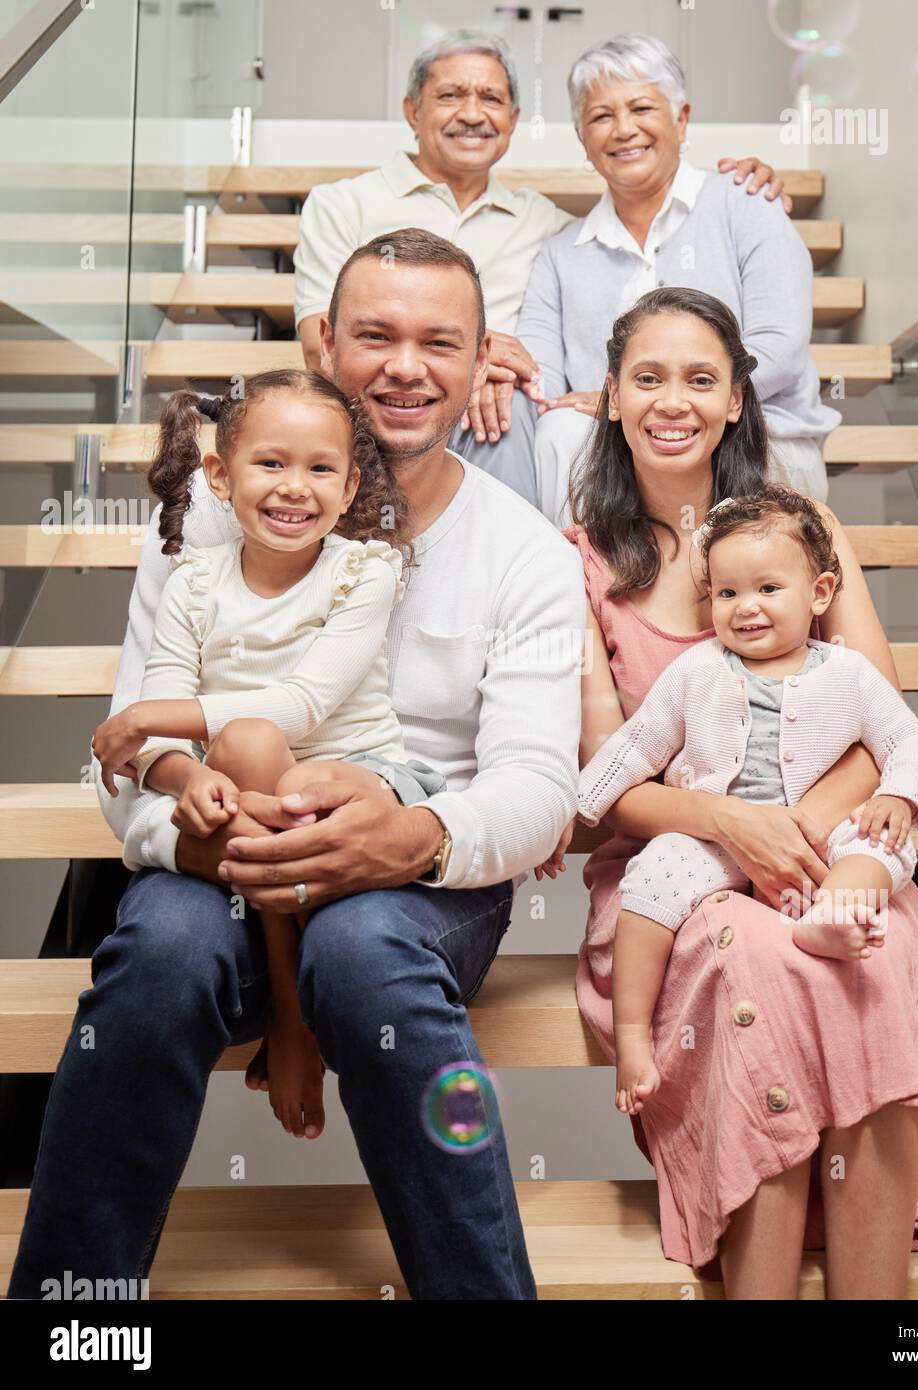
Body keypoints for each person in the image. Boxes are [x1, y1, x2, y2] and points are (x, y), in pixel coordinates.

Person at [8, 229, 586, 1301]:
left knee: (362, 951)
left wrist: (415, 835)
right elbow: (130, 751)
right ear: (323, 343)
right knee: (162, 956)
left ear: (476, 363)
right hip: (225, 863)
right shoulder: (199, 526)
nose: (405, 366)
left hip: (418, 879)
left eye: (438, 343)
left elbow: (539, 787)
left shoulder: (525, 554)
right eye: (374, 335)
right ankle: (71, 1325)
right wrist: (195, 824)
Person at [547, 285, 918, 1297]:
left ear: (738, 397)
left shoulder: (805, 530)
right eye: (648, 377)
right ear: (610, 396)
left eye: (701, 379)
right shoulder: (575, 562)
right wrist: (728, 825)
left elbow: (882, 724)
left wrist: (799, 833)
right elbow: (611, 778)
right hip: (672, 865)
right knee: (757, 964)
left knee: (870, 955)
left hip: (823, 848)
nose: (674, 401)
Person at [89, 369, 447, 1140]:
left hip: (355, 782)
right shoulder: (192, 581)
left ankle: (287, 1014)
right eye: (271, 464)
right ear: (219, 475)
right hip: (241, 791)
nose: (296, 488)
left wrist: (154, 724)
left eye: (321, 469)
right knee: (236, 755)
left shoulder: (365, 571)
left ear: (352, 487)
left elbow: (300, 707)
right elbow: (158, 747)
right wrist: (187, 776)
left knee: (252, 737)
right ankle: (290, 1014)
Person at [294, 27, 793, 505]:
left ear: (513, 119)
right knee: (534, 422)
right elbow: (324, 349)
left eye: (490, 99)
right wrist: (470, 363)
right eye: (450, 96)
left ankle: (525, 583)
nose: (472, 114)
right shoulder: (344, 205)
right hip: (389, 403)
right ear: (412, 110)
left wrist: (487, 370)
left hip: (493, 414)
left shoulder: (547, 225)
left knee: (508, 419)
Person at [573, 483, 918, 1116]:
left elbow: (907, 738)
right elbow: (637, 747)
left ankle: (834, 916)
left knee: (879, 852)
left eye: (768, 589)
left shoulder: (849, 673)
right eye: (727, 593)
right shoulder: (695, 672)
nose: (746, 608)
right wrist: (575, 809)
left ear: (819, 594)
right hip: (720, 840)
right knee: (652, 878)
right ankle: (634, 1035)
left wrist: (902, 799)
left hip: (822, 838)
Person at [471, 32, 840, 524]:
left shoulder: (746, 203)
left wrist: (664, 402)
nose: (624, 130)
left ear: (681, 119)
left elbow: (781, 346)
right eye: (601, 116)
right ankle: (577, 595)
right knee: (559, 430)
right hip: (618, 452)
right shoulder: (561, 254)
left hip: (754, 438)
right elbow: (543, 381)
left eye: (642, 108)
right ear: (583, 139)